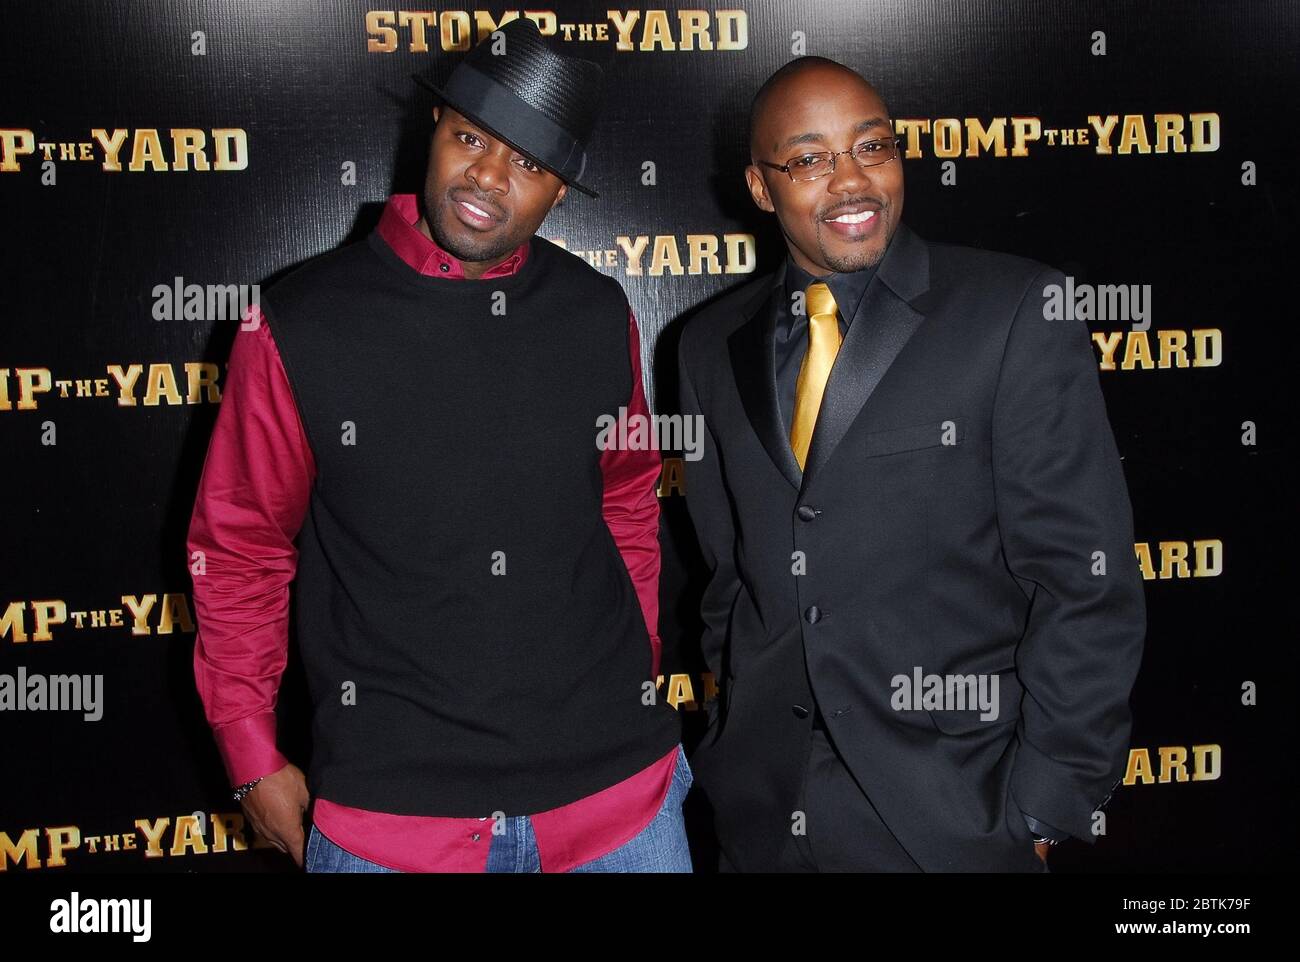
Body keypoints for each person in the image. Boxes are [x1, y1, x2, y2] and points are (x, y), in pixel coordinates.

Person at [187, 17, 690, 873]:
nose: (489, 178)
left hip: (621, 803)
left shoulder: (601, 312)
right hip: (393, 821)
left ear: (561, 189)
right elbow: (240, 547)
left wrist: (636, 665)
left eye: (529, 163)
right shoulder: (298, 324)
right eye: (471, 138)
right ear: (434, 128)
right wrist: (249, 751)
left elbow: (627, 502)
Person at [677, 56, 1145, 872]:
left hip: (954, 816)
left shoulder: (1012, 313)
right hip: (761, 813)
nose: (852, 181)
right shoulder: (707, 345)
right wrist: (726, 742)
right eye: (811, 158)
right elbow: (728, 577)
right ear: (759, 187)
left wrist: (1046, 799)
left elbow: (1084, 579)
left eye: (873, 147)